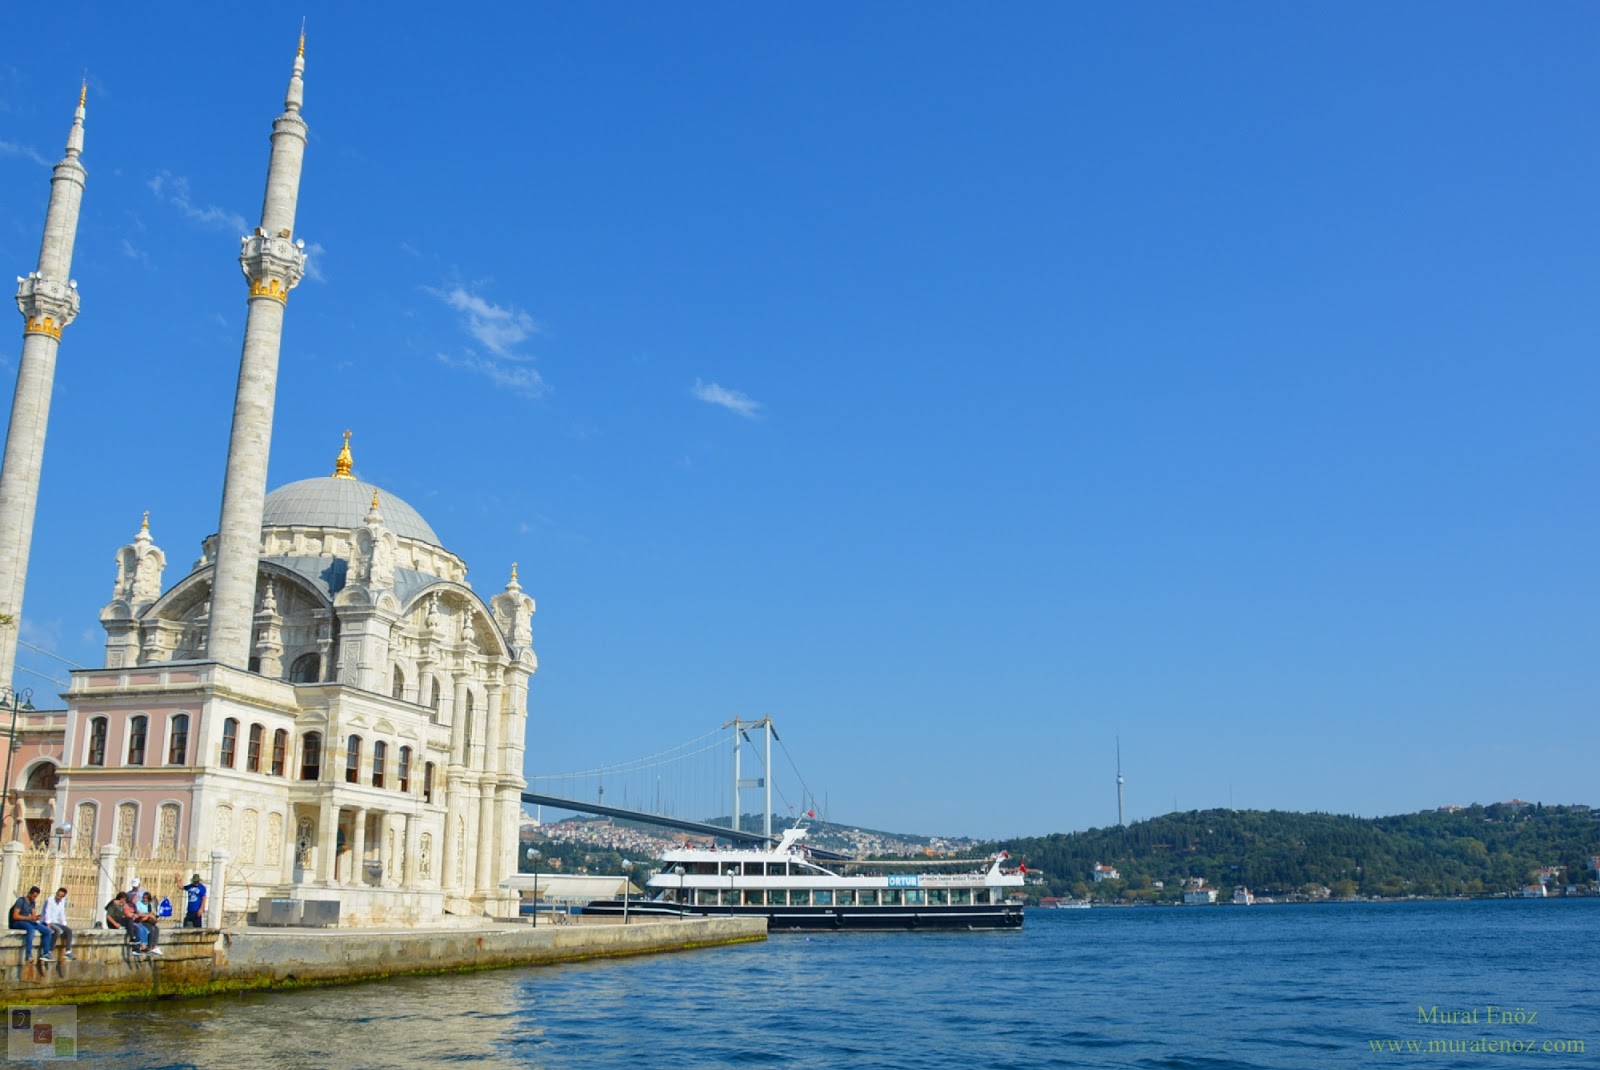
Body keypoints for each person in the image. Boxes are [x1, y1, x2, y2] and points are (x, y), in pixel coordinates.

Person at [8, 885, 54, 963]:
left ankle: (46, 953)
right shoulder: (21, 901)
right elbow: (15, 916)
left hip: (27, 921)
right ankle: (28, 954)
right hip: (16, 923)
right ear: (29, 894)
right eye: (34, 896)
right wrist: (29, 918)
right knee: (31, 929)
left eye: (36, 897)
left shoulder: (32, 903)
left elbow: (33, 915)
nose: (34, 898)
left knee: (47, 931)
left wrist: (36, 917)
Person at [41, 887, 74, 960]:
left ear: (63, 897)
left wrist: (64, 924)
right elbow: (47, 912)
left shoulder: (62, 901)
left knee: (69, 931)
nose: (58, 897)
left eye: (60, 896)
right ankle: (49, 951)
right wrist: (48, 924)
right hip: (47, 921)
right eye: (57, 895)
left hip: (56, 922)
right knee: (58, 931)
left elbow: (62, 913)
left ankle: (68, 951)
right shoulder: (50, 900)